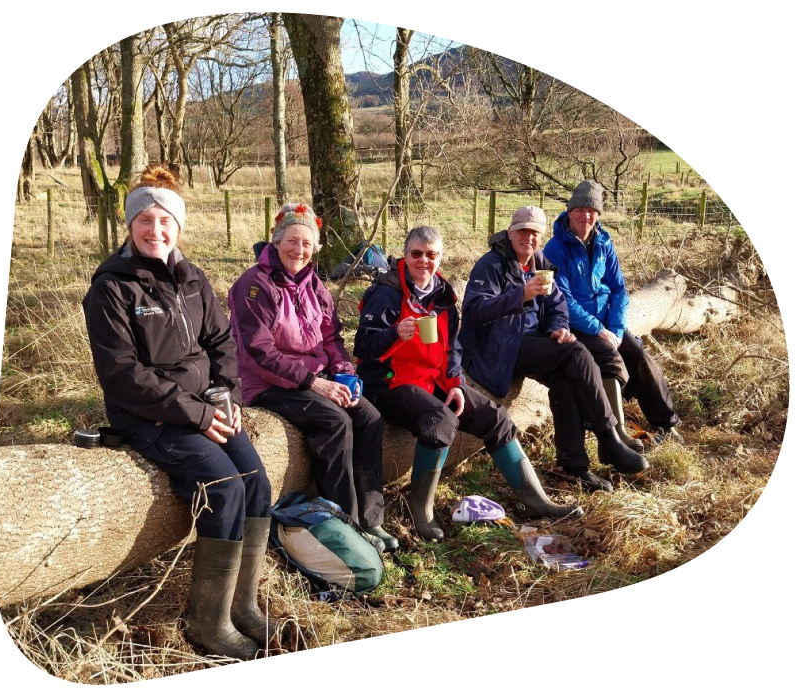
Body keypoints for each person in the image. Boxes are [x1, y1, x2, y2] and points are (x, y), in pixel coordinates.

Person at [82, 165, 272, 660]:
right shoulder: (111, 287)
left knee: (255, 480)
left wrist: (224, 394)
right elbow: (122, 374)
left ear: (178, 227)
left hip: (206, 407)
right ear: (129, 226)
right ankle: (208, 623)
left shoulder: (192, 278)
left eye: (165, 221)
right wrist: (194, 413)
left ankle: (242, 604)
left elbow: (221, 340)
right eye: (144, 220)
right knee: (224, 488)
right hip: (147, 415)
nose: (155, 230)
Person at [354, 226, 582, 543]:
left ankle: (535, 500)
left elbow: (452, 348)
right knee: (440, 422)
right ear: (405, 255)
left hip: (433, 378)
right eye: (416, 254)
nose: (423, 261)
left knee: (496, 418)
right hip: (389, 381)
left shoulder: (444, 295)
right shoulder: (386, 291)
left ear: (440, 258)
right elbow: (363, 350)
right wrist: (394, 334)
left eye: (431, 255)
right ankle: (421, 510)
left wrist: (455, 383)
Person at [228, 203, 398, 554]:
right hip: (268, 383)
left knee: (368, 416)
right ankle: (344, 527)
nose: (299, 250)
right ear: (276, 241)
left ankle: (371, 519)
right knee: (335, 422)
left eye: (307, 243)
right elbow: (259, 352)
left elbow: (332, 337)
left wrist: (346, 375)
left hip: (314, 376)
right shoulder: (254, 285)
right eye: (292, 241)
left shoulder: (314, 284)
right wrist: (315, 383)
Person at [459, 206, 650, 494]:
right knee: (575, 354)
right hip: (496, 347)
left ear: (541, 236)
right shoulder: (491, 264)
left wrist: (558, 327)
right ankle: (608, 437)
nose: (529, 237)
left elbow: (557, 304)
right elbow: (473, 311)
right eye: (523, 230)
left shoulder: (540, 261)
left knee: (567, 374)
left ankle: (575, 466)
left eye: (535, 232)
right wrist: (521, 295)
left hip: (532, 341)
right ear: (510, 233)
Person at [542, 180, 682, 448]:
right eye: (580, 209)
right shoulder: (555, 249)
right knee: (610, 359)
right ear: (570, 212)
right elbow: (564, 299)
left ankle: (666, 421)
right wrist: (598, 329)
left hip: (608, 321)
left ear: (598, 214)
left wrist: (616, 330)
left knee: (639, 355)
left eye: (592, 211)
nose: (586, 216)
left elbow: (619, 289)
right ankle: (617, 433)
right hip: (577, 324)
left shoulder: (604, 243)